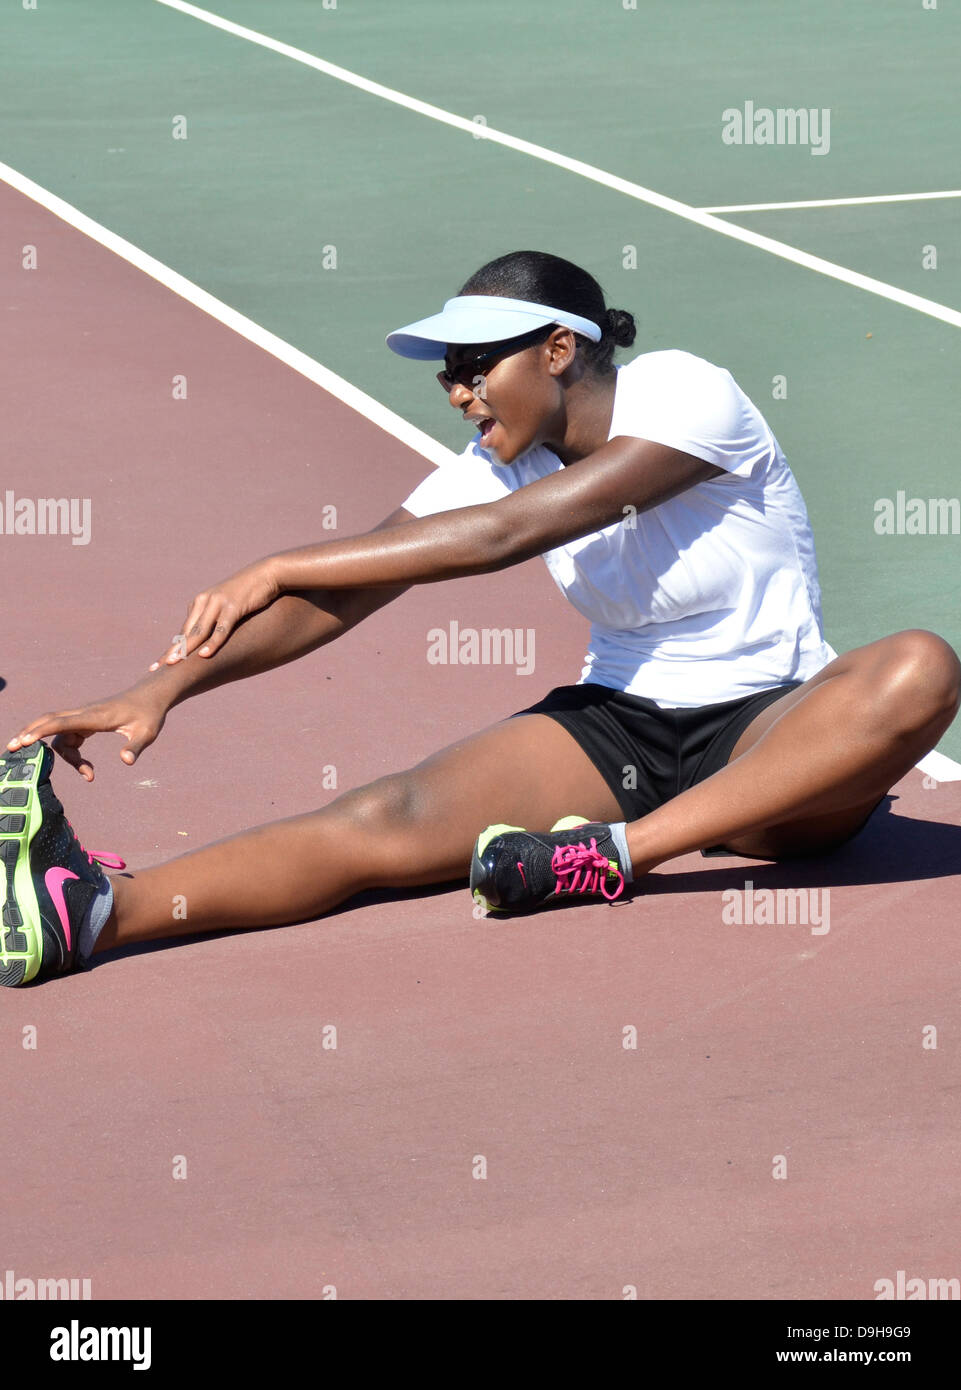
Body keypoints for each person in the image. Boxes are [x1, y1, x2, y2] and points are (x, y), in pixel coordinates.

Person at [2, 251, 958, 986]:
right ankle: (92, 913)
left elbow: (506, 534)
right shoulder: (499, 461)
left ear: (558, 349)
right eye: (446, 375)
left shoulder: (683, 391)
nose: (457, 392)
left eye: (473, 366)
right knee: (383, 816)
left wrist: (277, 558)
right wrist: (159, 687)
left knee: (917, 665)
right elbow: (349, 589)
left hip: (773, 730)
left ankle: (610, 855)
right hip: (620, 721)